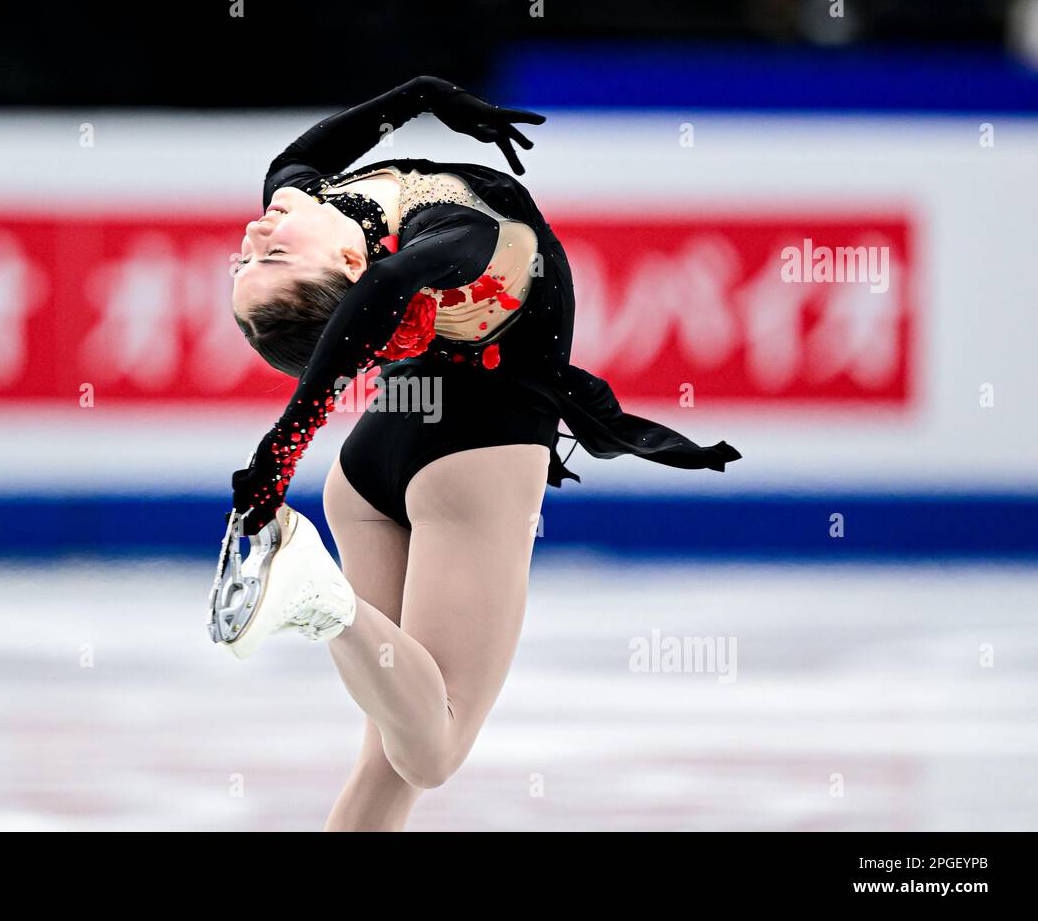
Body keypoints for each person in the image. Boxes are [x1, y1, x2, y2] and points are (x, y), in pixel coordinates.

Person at [217, 76, 739, 830]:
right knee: (434, 751)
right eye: (269, 263)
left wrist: (425, 94)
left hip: (371, 472)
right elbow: (391, 284)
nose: (251, 242)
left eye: (244, 266)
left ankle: (322, 601)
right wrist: (284, 444)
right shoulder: (449, 236)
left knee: (392, 759)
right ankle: (319, 600)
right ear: (350, 268)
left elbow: (297, 157)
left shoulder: (313, 199)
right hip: (471, 460)